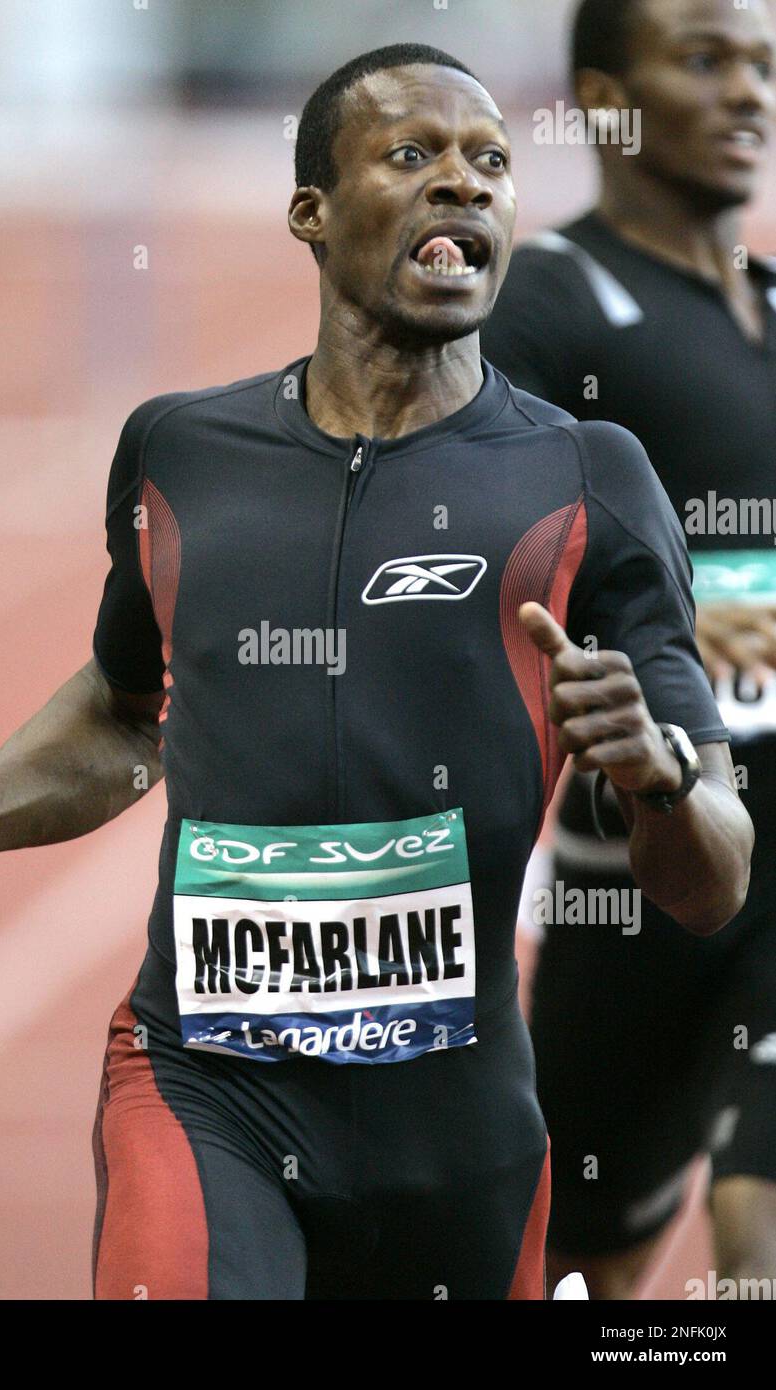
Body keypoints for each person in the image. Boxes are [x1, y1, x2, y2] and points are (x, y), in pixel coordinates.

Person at [0, 43, 752, 1301]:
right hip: (202, 1079)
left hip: (460, 1127)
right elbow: (124, 708)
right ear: (309, 212)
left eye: (490, 163)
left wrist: (655, 776)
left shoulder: (590, 477)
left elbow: (716, 878)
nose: (464, 187)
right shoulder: (180, 452)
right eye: (414, 156)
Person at [482, 0, 776, 1298]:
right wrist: (660, 607)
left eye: (763, 64)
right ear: (603, 98)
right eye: (703, 60)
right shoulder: (547, 303)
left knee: (756, 1224)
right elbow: (451, 541)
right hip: (643, 862)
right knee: (580, 1267)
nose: (747, 92)